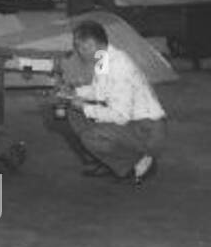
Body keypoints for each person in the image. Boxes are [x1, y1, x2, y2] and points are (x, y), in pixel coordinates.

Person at [54, 20, 166, 185]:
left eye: (83, 48)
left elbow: (120, 116)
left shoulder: (119, 66)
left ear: (95, 44)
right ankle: (109, 162)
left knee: (92, 136)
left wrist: (85, 107)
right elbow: (99, 91)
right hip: (135, 124)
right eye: (77, 47)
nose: (79, 52)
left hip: (147, 129)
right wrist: (73, 93)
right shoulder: (104, 57)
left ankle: (140, 163)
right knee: (74, 113)